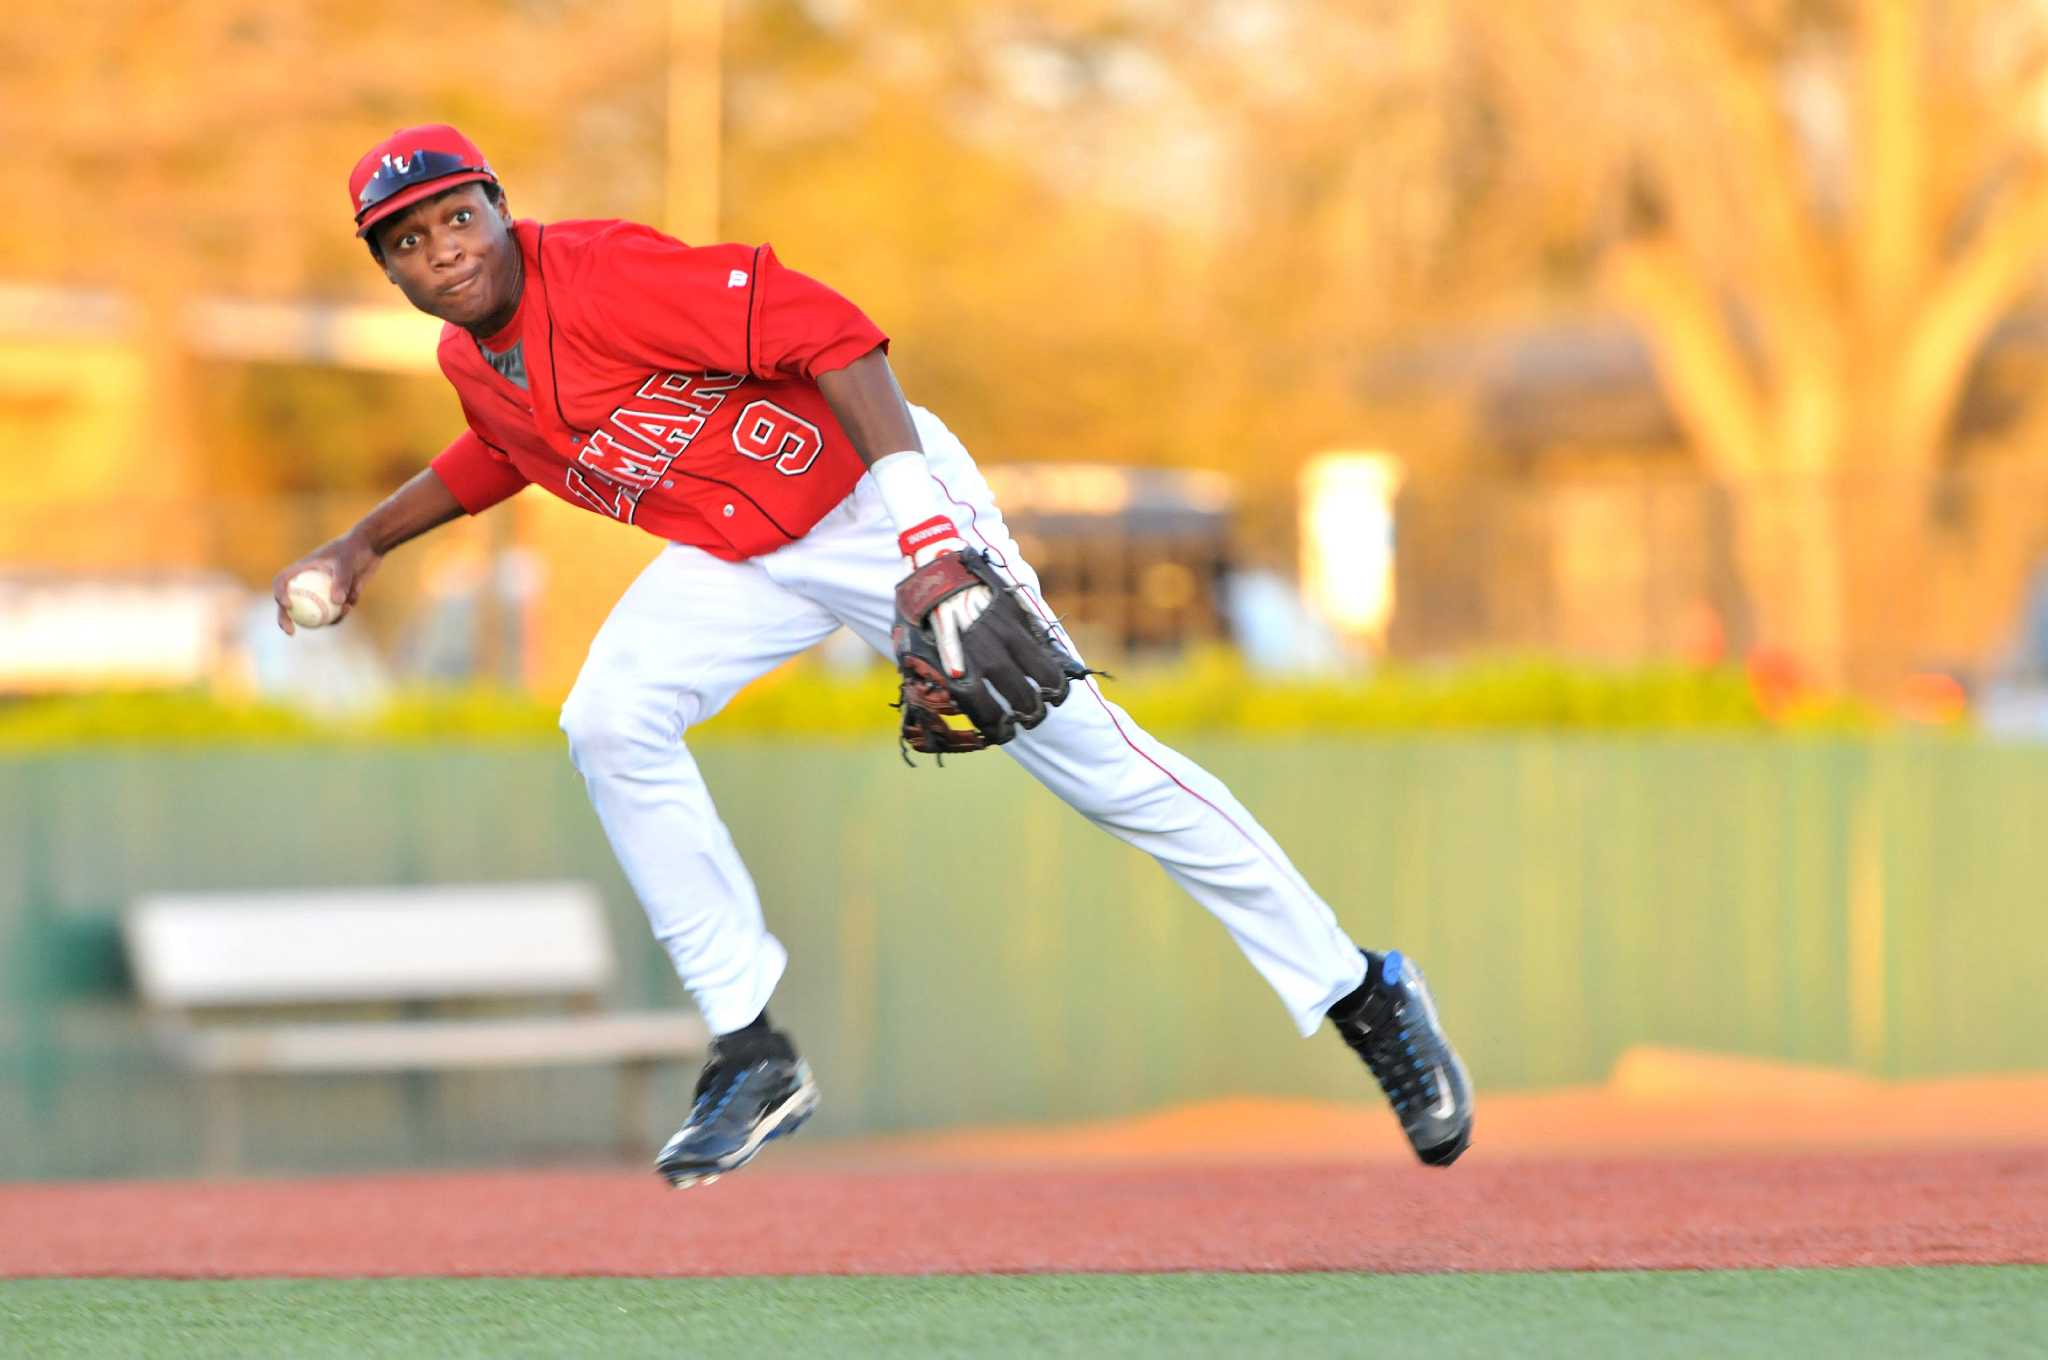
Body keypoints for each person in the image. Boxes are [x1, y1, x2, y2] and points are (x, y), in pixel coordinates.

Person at [275, 124, 1474, 1186]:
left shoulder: (604, 275)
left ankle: (1362, 991)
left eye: (456, 214)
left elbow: (837, 336)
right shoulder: (472, 360)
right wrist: (363, 541)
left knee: (1100, 766)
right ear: (387, 270)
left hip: (867, 500)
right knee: (607, 718)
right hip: (738, 550)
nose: (442, 245)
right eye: (409, 238)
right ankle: (750, 1047)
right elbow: (501, 449)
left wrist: (930, 543)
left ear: (496, 204)